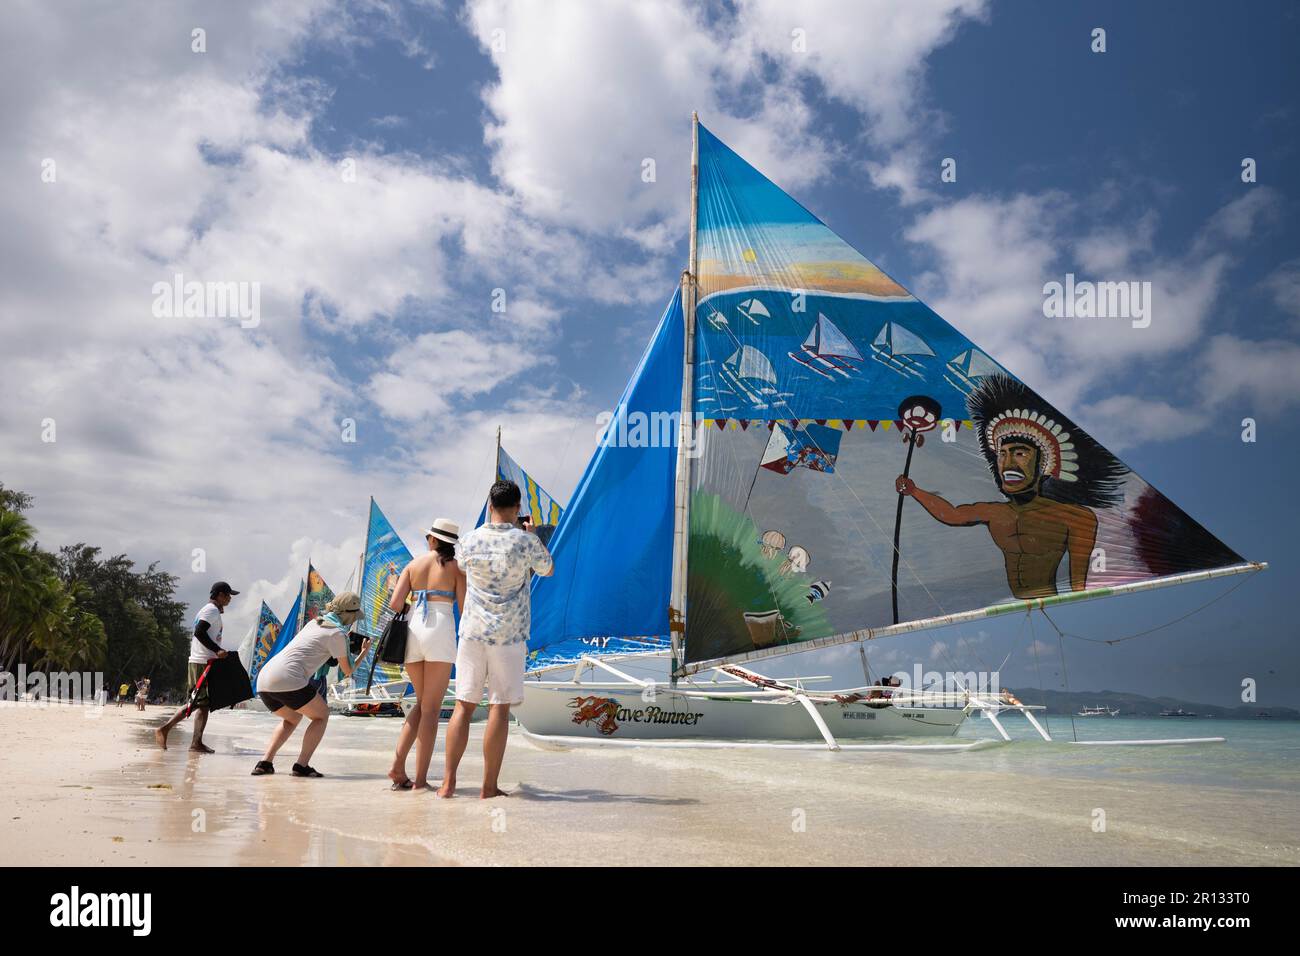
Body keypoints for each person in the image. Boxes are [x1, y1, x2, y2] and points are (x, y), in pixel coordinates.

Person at [439, 480, 552, 799]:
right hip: (510, 635)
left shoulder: (469, 541)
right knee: (498, 709)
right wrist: (530, 535)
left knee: (463, 706)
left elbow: (461, 565)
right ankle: (488, 787)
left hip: (473, 632)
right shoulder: (525, 541)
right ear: (518, 509)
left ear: (490, 505)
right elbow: (548, 569)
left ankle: (448, 783)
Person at [251, 592, 369, 777]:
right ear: (348, 614)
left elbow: (311, 649)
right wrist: (363, 652)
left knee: (291, 718)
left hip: (265, 679)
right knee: (321, 715)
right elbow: (348, 670)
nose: (353, 620)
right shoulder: (338, 633)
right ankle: (301, 765)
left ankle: (265, 762)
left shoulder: (314, 622)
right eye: (354, 616)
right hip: (288, 678)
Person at [386, 518, 465, 792]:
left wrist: (417, 600)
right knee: (431, 709)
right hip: (440, 629)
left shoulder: (413, 565)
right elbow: (464, 610)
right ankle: (420, 781)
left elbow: (395, 604)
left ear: (432, 539)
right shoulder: (457, 568)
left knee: (420, 704)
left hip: (413, 629)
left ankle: (398, 765)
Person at [155, 581, 238, 752]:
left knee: (202, 703)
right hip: (201, 661)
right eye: (228, 595)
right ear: (220, 595)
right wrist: (217, 649)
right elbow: (199, 632)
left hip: (203, 660)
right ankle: (165, 729)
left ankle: (196, 742)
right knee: (197, 701)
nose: (230, 599)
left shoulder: (210, 610)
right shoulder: (211, 610)